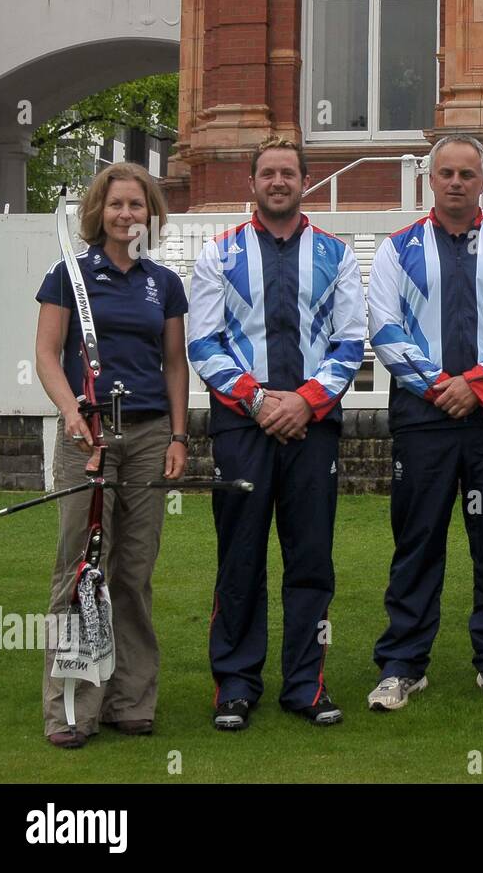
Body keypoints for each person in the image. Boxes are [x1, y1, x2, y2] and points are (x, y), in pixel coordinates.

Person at [188, 136, 365, 730]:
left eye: (289, 172)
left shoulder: (337, 254)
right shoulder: (220, 253)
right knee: (240, 555)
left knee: (311, 558)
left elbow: (349, 342)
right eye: (268, 172)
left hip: (312, 428)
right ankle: (236, 683)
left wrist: (307, 402)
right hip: (244, 426)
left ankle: (305, 684)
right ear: (253, 183)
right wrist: (262, 400)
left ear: (303, 181)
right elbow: (203, 344)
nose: (278, 181)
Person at [366, 134, 483, 709]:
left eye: (468, 174)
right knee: (417, 541)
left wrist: (478, 385)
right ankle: (403, 664)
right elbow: (386, 329)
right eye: (447, 173)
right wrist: (443, 387)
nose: (457, 182)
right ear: (430, 179)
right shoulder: (398, 249)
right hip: (424, 417)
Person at [35, 163, 188, 748]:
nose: (128, 215)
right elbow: (48, 354)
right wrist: (71, 412)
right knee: (81, 569)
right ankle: (72, 707)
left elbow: (174, 363)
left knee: (132, 570)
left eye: (139, 205)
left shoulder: (163, 282)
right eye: (119, 204)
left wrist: (179, 435)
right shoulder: (68, 274)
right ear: (100, 210)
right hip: (88, 438)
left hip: (149, 434)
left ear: (152, 214)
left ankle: (131, 699)